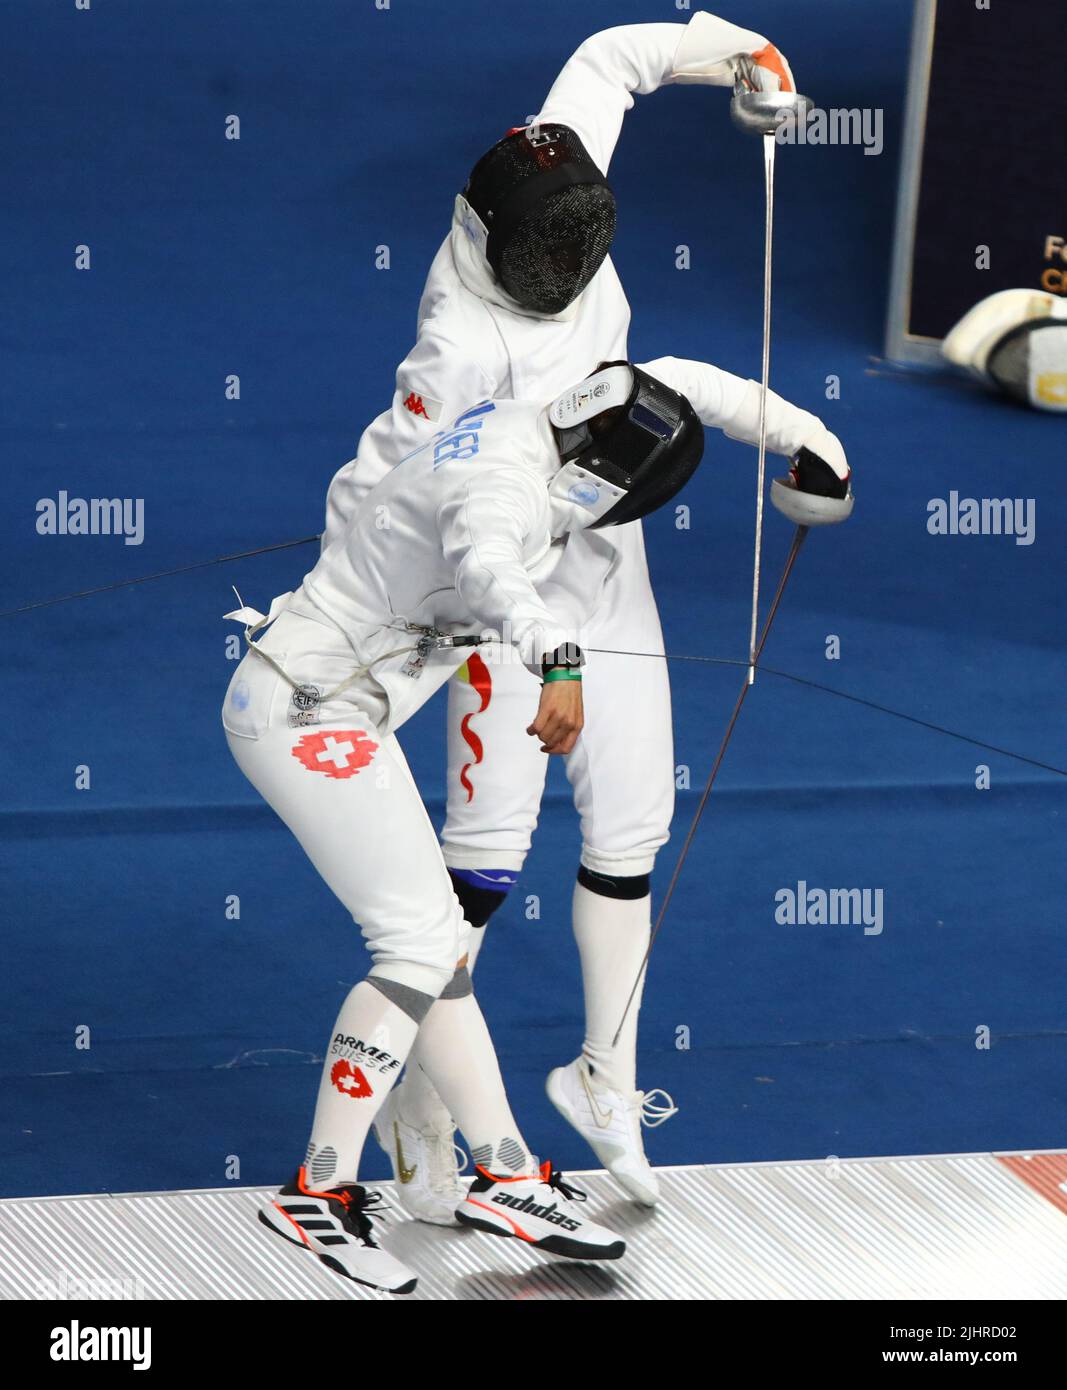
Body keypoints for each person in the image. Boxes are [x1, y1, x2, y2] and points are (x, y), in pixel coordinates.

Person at [322, 15, 847, 1219]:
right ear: (489, 240)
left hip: (608, 573)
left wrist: (747, 55)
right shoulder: (456, 349)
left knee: (630, 832)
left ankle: (603, 1069)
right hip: (498, 606)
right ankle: (425, 1097)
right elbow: (389, 487)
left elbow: (618, 56)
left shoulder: (562, 171)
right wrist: (364, 605)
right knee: (478, 873)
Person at [222, 361, 710, 1293]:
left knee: (438, 946)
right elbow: (491, 567)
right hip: (306, 716)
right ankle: (315, 1194)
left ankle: (504, 1171)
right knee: (411, 944)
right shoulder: (504, 492)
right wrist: (559, 662)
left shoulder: (521, 420)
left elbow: (671, 380)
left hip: (324, 701)